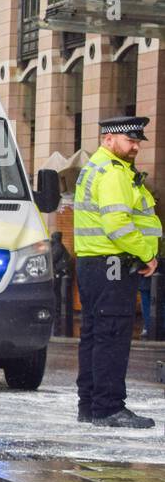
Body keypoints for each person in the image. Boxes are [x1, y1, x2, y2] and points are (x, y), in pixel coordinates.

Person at [73, 115, 162, 427]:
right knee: (112, 335)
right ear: (108, 139)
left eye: (138, 141)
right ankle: (108, 407)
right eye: (130, 140)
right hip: (111, 263)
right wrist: (148, 253)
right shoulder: (113, 173)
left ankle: (90, 405)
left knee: (95, 334)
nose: (135, 146)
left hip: (94, 263)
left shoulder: (99, 167)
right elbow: (118, 225)